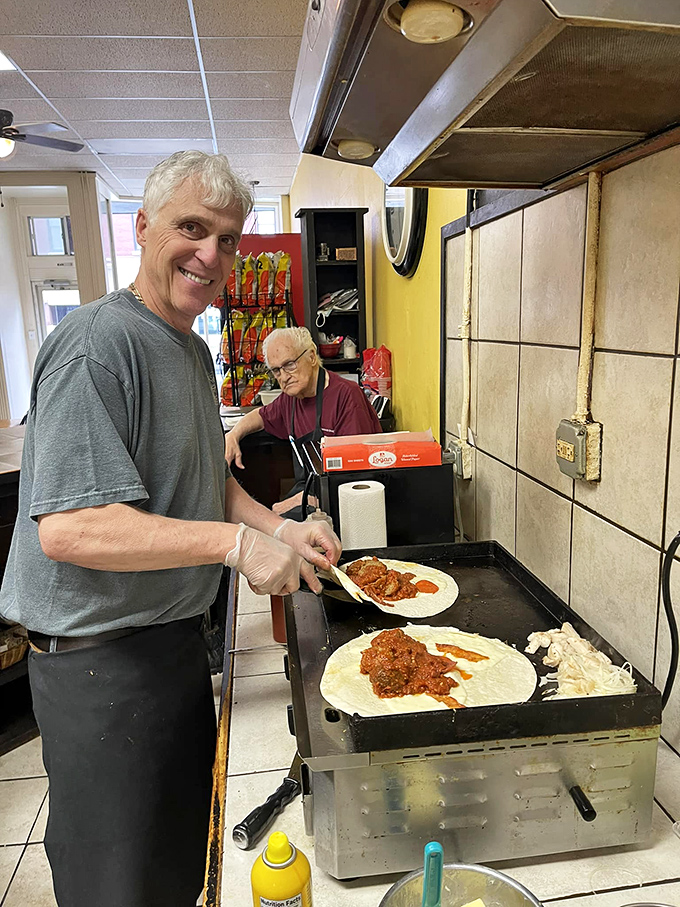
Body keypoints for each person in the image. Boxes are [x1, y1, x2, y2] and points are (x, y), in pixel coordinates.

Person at [0, 151, 341, 907]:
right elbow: (72, 528)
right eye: (192, 228)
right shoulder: (96, 345)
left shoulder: (189, 350)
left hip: (170, 649)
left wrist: (276, 530)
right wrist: (235, 545)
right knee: (118, 886)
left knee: (176, 865)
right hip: (101, 669)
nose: (211, 254)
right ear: (143, 227)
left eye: (228, 239)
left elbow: (202, 483)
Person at [225, 326, 381, 518]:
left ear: (312, 357)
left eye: (290, 364)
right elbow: (261, 416)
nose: (283, 377)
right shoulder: (291, 397)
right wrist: (233, 435)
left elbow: (356, 478)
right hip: (307, 490)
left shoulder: (346, 396)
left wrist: (298, 501)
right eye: (276, 370)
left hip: (344, 503)